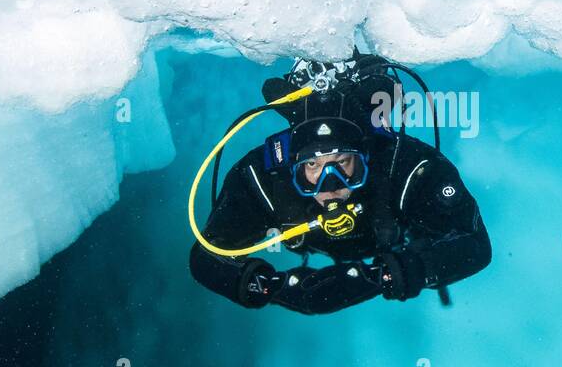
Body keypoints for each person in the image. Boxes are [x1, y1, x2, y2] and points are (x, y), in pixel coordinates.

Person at [189, 58, 491, 315]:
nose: (330, 185)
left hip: (398, 244)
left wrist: (409, 269)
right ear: (290, 166)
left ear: (367, 160)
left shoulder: (407, 166)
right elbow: (205, 256)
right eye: (312, 166)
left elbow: (475, 245)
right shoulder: (261, 177)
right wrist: (258, 284)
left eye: (344, 163)